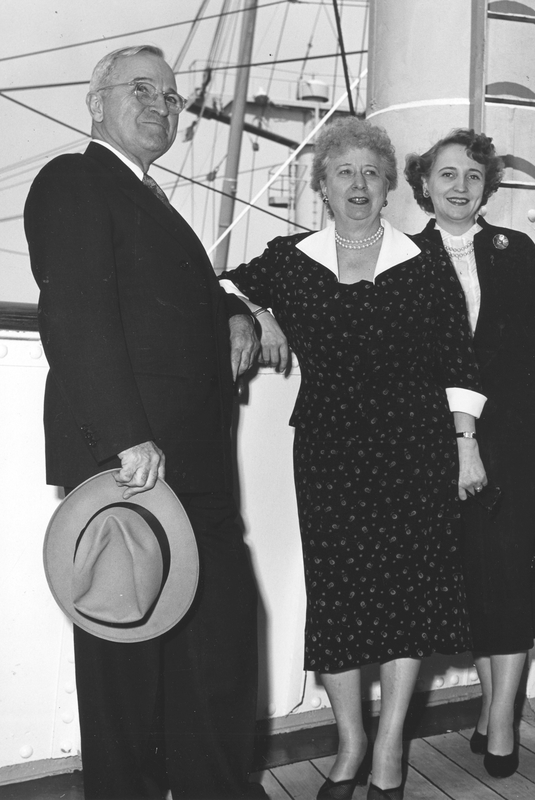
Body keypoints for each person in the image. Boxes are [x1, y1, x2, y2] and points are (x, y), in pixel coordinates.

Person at [24, 45, 268, 800]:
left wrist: (237, 310)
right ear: (96, 101)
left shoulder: (151, 200)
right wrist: (127, 435)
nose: (162, 105)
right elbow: (76, 317)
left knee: (215, 651)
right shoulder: (73, 180)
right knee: (125, 663)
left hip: (193, 469)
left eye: (172, 96)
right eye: (142, 90)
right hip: (132, 464)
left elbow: (175, 293)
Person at [221, 117, 487, 800]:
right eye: (345, 172)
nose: (359, 185)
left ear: (391, 186)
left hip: (416, 445)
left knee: (405, 597)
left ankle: (392, 745)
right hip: (331, 448)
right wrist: (259, 313)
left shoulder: (423, 264)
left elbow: (459, 357)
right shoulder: (289, 257)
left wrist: (465, 446)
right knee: (337, 596)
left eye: (372, 172)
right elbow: (217, 284)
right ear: (322, 185)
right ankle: (351, 743)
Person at [405, 128, 535, 779]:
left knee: (511, 577)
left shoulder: (517, 252)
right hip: (435, 445)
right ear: (423, 183)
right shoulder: (402, 256)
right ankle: (491, 708)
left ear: (487, 188)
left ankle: (503, 717)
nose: (458, 187)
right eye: (446, 174)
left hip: (515, 438)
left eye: (471, 177)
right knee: (471, 581)